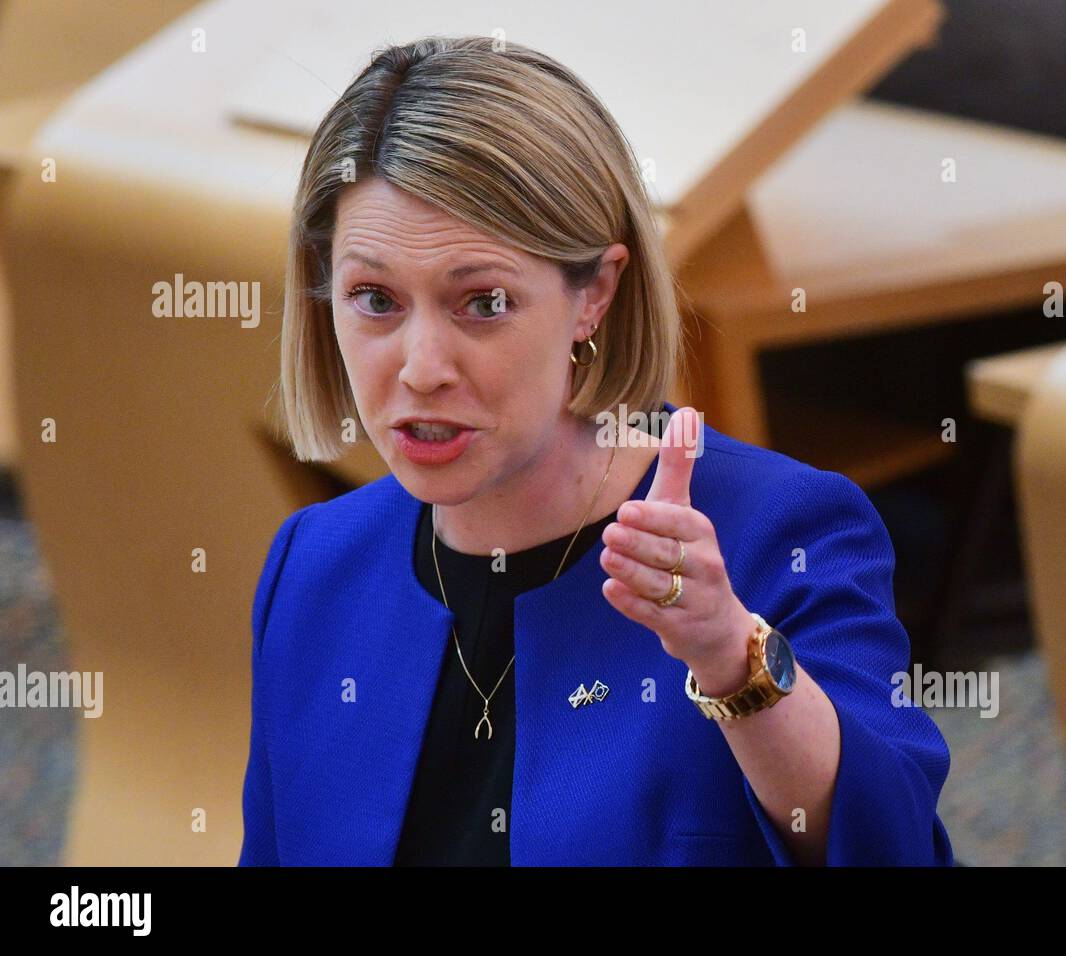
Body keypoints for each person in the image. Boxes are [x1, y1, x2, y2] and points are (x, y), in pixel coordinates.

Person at [238, 35, 954, 866]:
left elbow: (892, 851)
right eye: (374, 299)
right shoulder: (314, 564)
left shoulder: (779, 530)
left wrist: (731, 658)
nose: (421, 368)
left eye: (484, 302)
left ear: (595, 295)